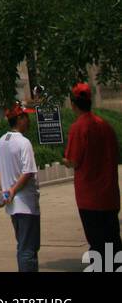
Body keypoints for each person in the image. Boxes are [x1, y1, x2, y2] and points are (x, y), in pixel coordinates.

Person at [63, 81, 122, 271]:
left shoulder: (79, 128)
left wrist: (65, 161)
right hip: (110, 195)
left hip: (89, 197)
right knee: (113, 242)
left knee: (97, 245)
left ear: (73, 104)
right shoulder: (105, 126)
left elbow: (73, 160)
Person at [0, 103, 40, 272]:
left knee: (23, 244)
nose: (29, 121)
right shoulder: (24, 142)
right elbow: (28, 172)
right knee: (28, 249)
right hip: (27, 204)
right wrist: (12, 190)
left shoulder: (1, 141)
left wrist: (6, 190)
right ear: (19, 119)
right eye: (26, 117)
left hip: (12, 205)